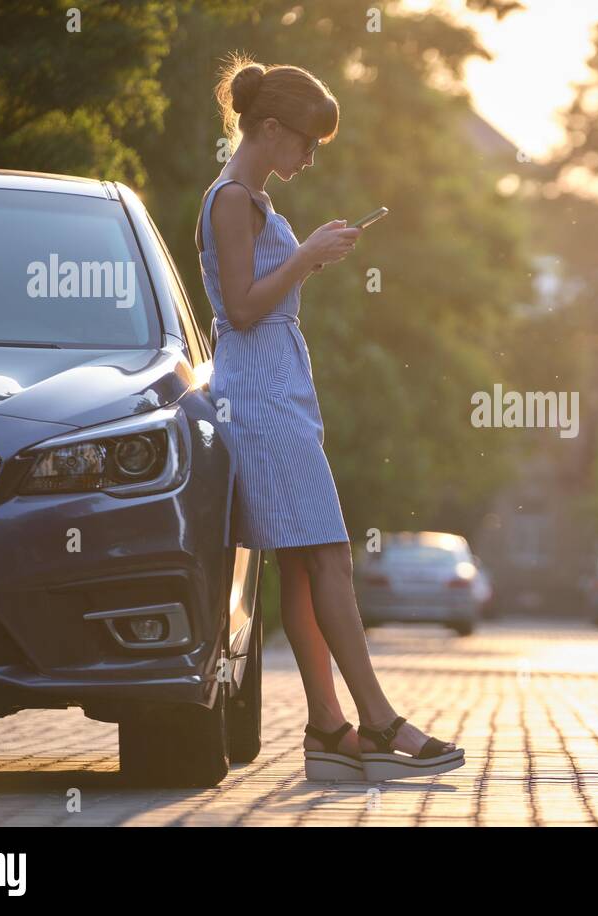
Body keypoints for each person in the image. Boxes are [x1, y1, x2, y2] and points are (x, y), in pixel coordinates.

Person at [195, 56, 463, 782]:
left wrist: (309, 253)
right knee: (332, 556)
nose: (310, 157)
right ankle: (377, 721)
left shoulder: (255, 201)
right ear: (271, 129)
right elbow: (243, 308)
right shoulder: (230, 200)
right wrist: (308, 255)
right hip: (257, 395)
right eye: (307, 143)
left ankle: (327, 728)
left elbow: (260, 299)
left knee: (308, 565)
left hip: (279, 389)